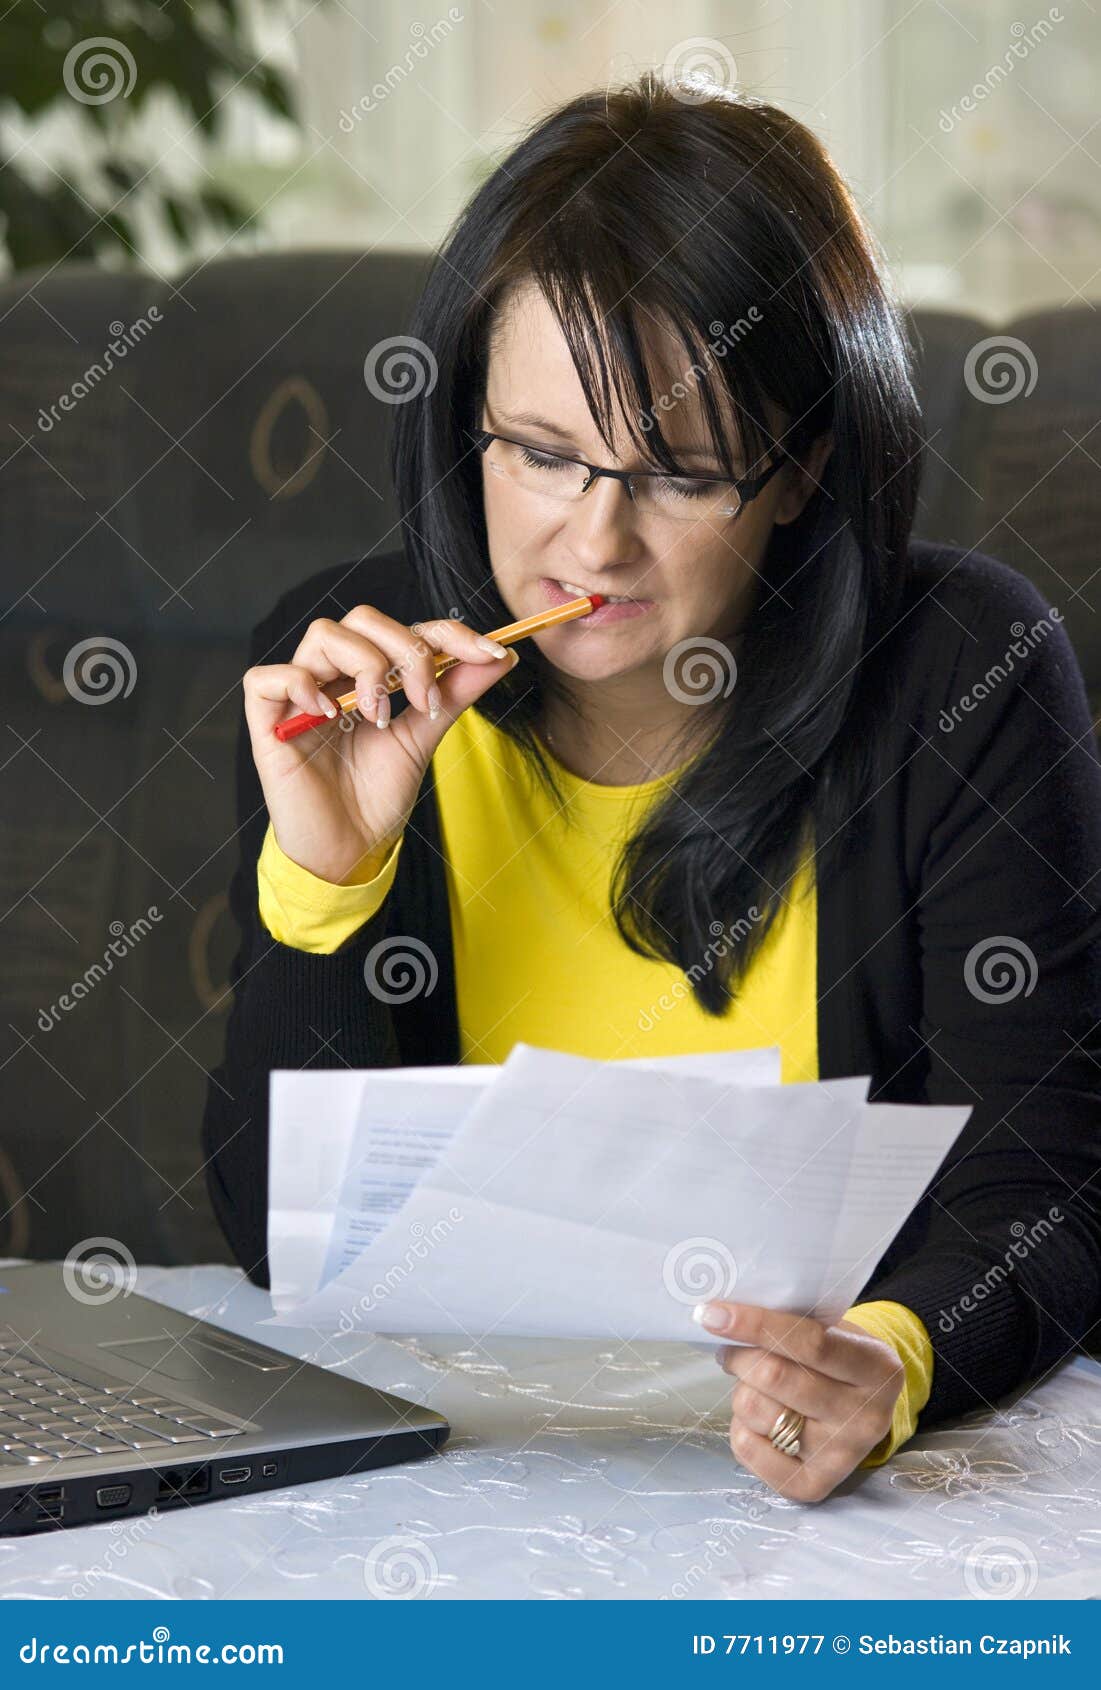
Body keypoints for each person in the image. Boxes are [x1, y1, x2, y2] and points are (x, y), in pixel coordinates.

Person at [203, 74, 1101, 1503]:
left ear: (803, 467)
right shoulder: (345, 676)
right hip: (470, 1474)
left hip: (815, 1490)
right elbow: (282, 1237)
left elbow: (1050, 1175)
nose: (591, 542)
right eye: (544, 455)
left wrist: (890, 1354)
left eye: (678, 474)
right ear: (468, 426)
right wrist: (330, 876)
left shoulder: (962, 672)